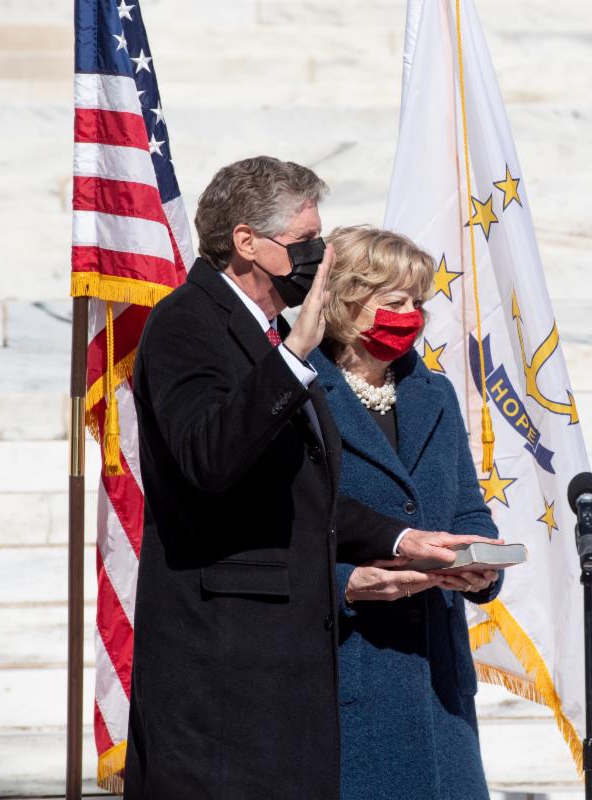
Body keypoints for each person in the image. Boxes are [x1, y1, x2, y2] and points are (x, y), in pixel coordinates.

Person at [124, 158, 488, 799]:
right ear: (246, 242)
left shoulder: (268, 336)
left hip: (285, 675)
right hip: (223, 667)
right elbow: (208, 458)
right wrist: (294, 355)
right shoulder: (189, 321)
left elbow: (303, 495)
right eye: (304, 241)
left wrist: (404, 540)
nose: (319, 256)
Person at [306, 225, 503, 800]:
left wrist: (479, 565)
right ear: (345, 301)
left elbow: (468, 507)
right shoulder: (301, 390)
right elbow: (282, 529)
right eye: (395, 302)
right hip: (352, 669)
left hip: (439, 682)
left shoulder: (433, 392)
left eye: (418, 302)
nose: (412, 315)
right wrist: (346, 582)